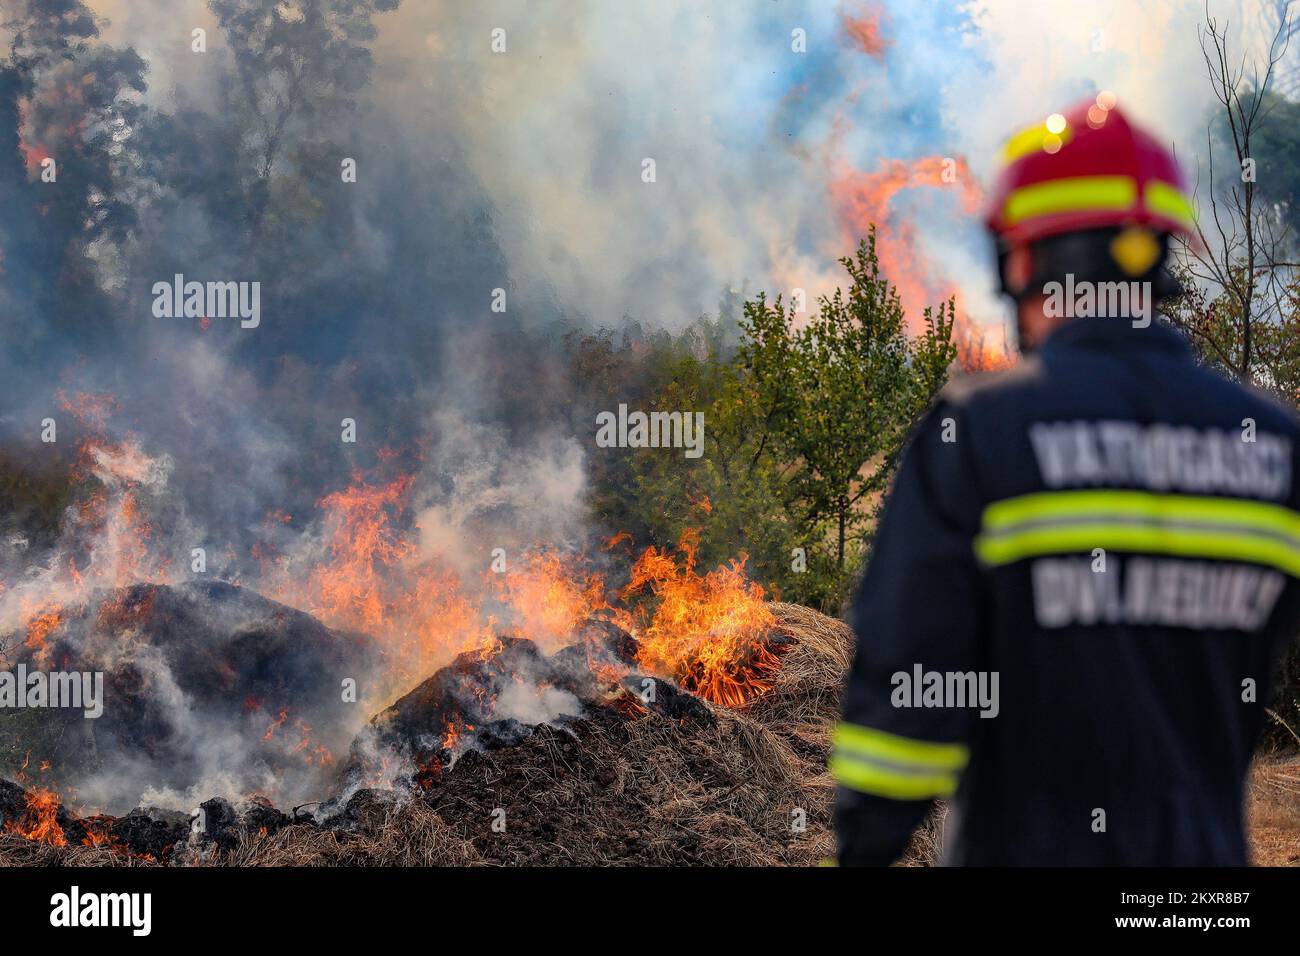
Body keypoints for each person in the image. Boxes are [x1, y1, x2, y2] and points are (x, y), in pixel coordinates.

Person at [831, 94, 1300, 865]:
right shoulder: (1276, 446)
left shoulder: (980, 432)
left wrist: (860, 849)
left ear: (1021, 261)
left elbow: (905, 708)